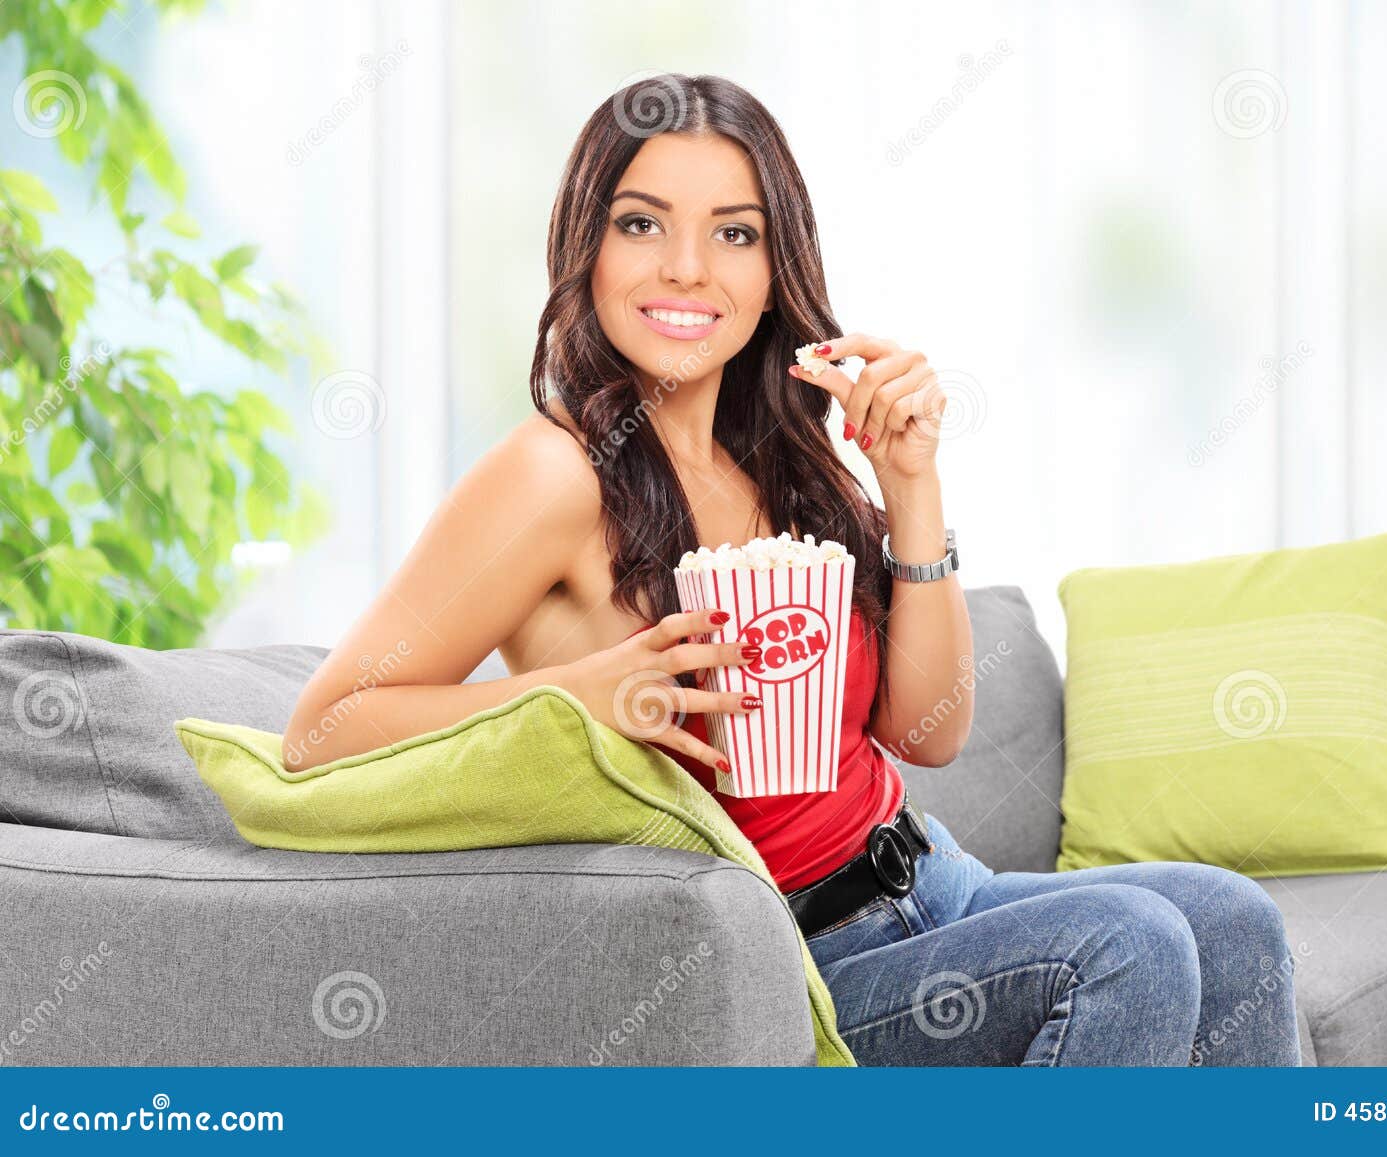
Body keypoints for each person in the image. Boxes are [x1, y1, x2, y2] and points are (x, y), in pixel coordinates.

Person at [282, 73, 1301, 1067]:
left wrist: (909, 480)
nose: (687, 267)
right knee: (1129, 947)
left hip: (932, 883)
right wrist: (576, 695)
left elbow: (926, 729)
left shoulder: (783, 459)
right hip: (788, 965)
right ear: (586, 248)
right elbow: (320, 732)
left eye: (734, 232)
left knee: (1232, 918)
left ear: (775, 269)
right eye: (641, 224)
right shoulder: (553, 472)